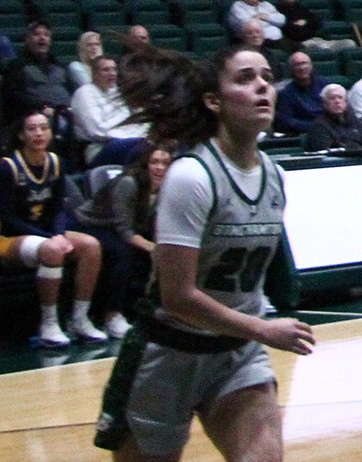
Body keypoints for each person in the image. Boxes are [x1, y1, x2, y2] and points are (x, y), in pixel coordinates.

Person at [94, 46, 312, 459]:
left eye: (266, 76)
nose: (263, 85)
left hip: (235, 354)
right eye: (245, 77)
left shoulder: (275, 175)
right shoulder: (191, 176)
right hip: (167, 354)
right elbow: (178, 298)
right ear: (214, 100)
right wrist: (264, 329)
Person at [3, 111, 108, 345]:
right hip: (9, 237)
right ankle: (48, 324)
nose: (39, 133)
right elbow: (8, 218)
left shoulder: (56, 162)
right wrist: (50, 238)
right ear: (21, 135)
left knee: (91, 246)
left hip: (45, 235)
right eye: (32, 129)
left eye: (44, 127)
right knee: (52, 250)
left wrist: (58, 234)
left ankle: (79, 319)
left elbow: (59, 208)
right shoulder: (8, 166)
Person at [72, 139, 171, 341]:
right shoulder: (129, 183)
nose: (159, 168)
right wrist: (154, 248)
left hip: (122, 230)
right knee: (123, 252)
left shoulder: (168, 187)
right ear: (145, 164)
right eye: (154, 162)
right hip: (91, 225)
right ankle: (112, 316)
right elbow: (124, 229)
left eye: (165, 163)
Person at [70, 53, 148, 165]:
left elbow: (129, 121)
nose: (112, 74)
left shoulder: (115, 91)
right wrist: (131, 137)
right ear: (94, 74)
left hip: (127, 141)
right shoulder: (84, 93)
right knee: (140, 145)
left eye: (114, 69)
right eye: (106, 70)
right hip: (100, 147)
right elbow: (97, 131)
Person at [304, 84, 362, 153]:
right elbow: (325, 152)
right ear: (324, 103)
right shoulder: (319, 127)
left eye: (340, 97)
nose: (337, 101)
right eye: (332, 98)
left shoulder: (356, 122)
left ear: (346, 102)